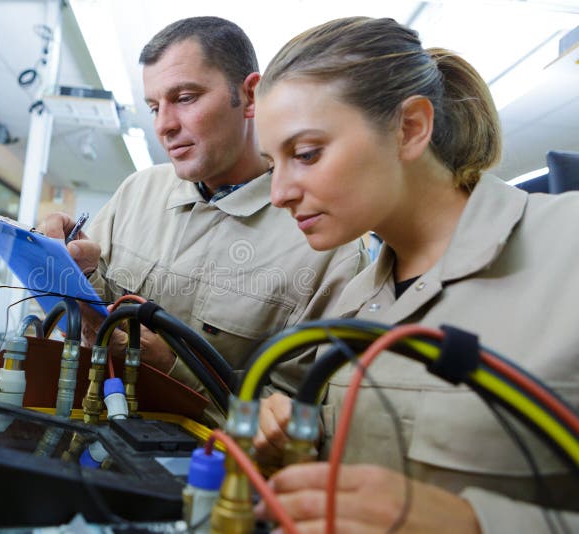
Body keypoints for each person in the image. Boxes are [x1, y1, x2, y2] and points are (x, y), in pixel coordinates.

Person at [253, 16, 579, 532]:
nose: (279, 193)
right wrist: (290, 452)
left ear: (410, 129)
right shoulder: (353, 303)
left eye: (307, 154)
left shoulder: (569, 248)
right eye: (273, 163)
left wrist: (475, 524)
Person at [38, 16, 366, 400]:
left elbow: (300, 419)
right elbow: (91, 318)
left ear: (249, 96)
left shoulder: (326, 246)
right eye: (154, 106)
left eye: (185, 98)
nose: (164, 125)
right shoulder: (137, 191)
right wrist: (82, 271)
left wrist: (178, 370)